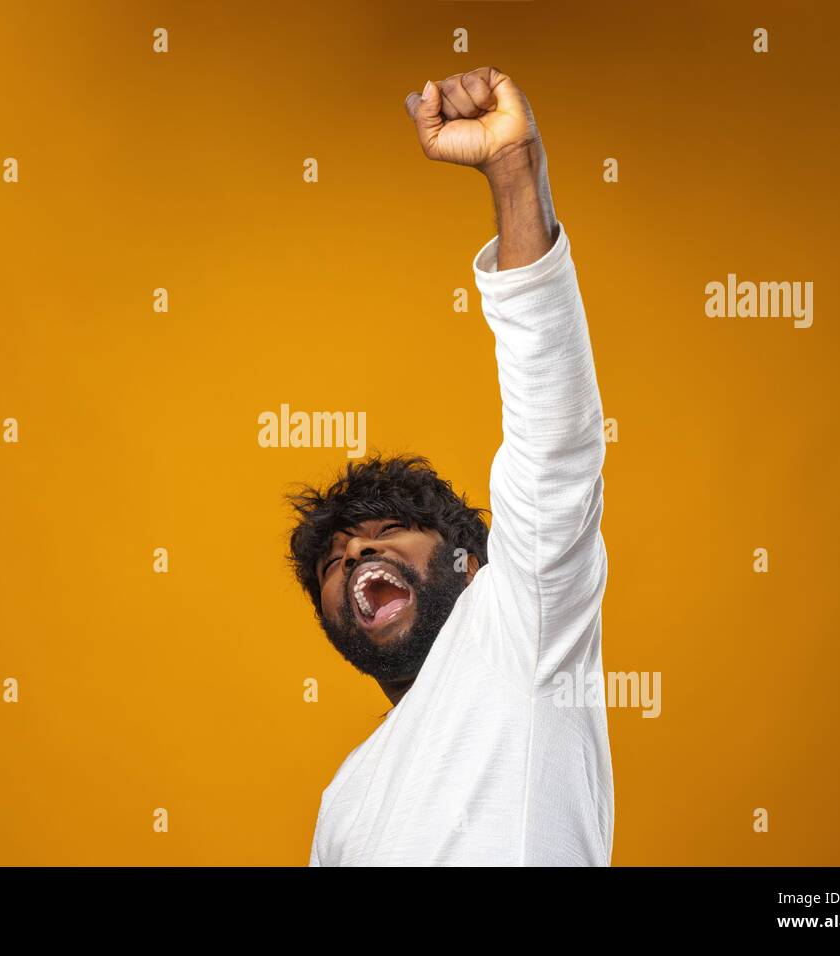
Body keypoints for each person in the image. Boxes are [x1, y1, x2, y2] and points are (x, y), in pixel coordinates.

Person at [285, 67, 613, 865]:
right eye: (334, 560)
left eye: (387, 531)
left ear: (472, 564)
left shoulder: (517, 626)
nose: (355, 554)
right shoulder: (345, 799)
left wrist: (513, 173)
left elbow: (553, 444)